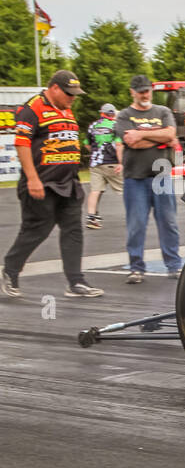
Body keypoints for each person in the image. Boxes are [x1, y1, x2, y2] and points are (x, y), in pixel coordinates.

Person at [2, 70, 103, 299]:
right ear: (55, 88)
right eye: (69, 93)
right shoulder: (32, 108)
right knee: (37, 229)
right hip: (41, 183)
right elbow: (22, 144)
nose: (72, 98)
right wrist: (32, 179)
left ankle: (76, 281)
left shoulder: (66, 109)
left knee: (73, 230)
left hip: (68, 182)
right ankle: (10, 270)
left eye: (75, 94)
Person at [115, 74, 182, 283]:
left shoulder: (163, 111)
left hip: (161, 176)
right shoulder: (124, 115)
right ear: (132, 92)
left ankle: (174, 265)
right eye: (141, 91)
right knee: (136, 224)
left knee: (169, 222)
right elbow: (130, 142)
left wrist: (142, 134)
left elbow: (171, 134)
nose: (145, 94)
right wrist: (159, 138)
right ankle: (136, 268)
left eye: (147, 90)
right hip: (135, 177)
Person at [85, 103, 122, 230]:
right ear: (113, 114)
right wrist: (121, 162)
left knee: (95, 190)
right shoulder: (115, 126)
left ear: (102, 113)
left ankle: (91, 217)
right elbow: (119, 145)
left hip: (95, 163)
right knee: (127, 189)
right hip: (111, 162)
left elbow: (87, 144)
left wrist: (96, 153)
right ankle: (137, 214)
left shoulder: (92, 126)